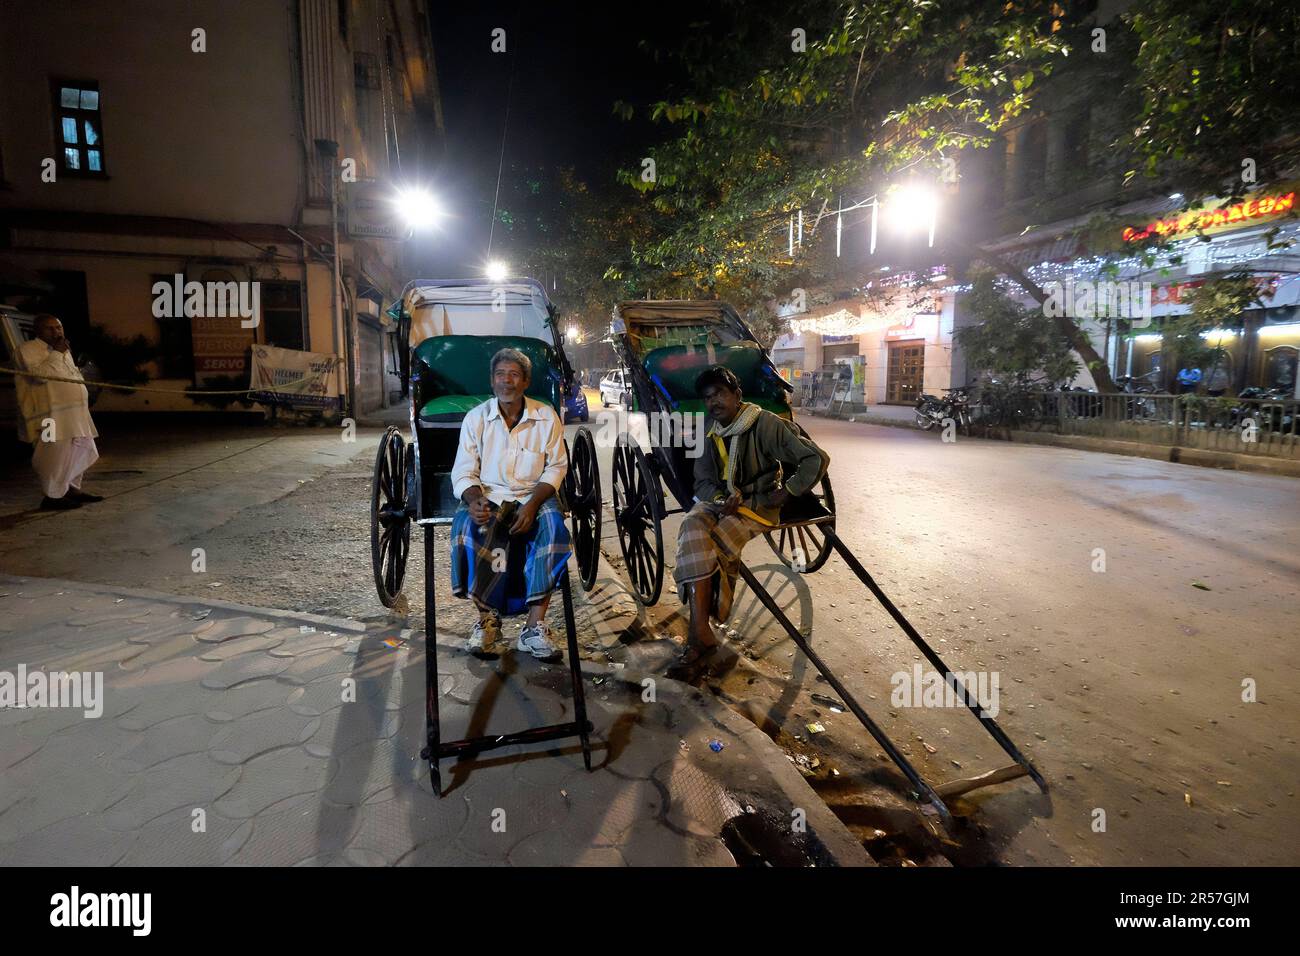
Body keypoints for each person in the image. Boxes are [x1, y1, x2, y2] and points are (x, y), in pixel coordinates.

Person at [673, 365, 829, 666]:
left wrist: (788, 491)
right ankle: (702, 630)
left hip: (758, 505)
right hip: (720, 503)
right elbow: (702, 480)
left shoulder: (766, 424)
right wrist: (719, 499)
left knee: (715, 541)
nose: (713, 402)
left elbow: (816, 458)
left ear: (737, 395)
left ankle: (699, 632)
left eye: (719, 394)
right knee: (691, 526)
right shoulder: (709, 428)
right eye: (707, 398)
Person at [449, 347, 570, 660]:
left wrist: (531, 506)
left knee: (554, 528)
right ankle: (486, 621)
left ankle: (533, 628)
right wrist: (474, 500)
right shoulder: (476, 419)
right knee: (466, 528)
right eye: (501, 375)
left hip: (534, 492)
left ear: (526, 381)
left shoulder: (546, 416)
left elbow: (556, 466)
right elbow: (464, 470)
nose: (507, 381)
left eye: (514, 375)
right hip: (488, 492)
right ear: (492, 381)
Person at [14, 314, 103, 511]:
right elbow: (37, 376)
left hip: (75, 414)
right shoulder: (26, 350)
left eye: (59, 327)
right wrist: (56, 353)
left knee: (78, 448)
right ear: (37, 330)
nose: (56, 332)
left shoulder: (63, 350)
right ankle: (51, 496)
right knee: (52, 453)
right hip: (48, 416)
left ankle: (72, 489)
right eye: (50, 328)